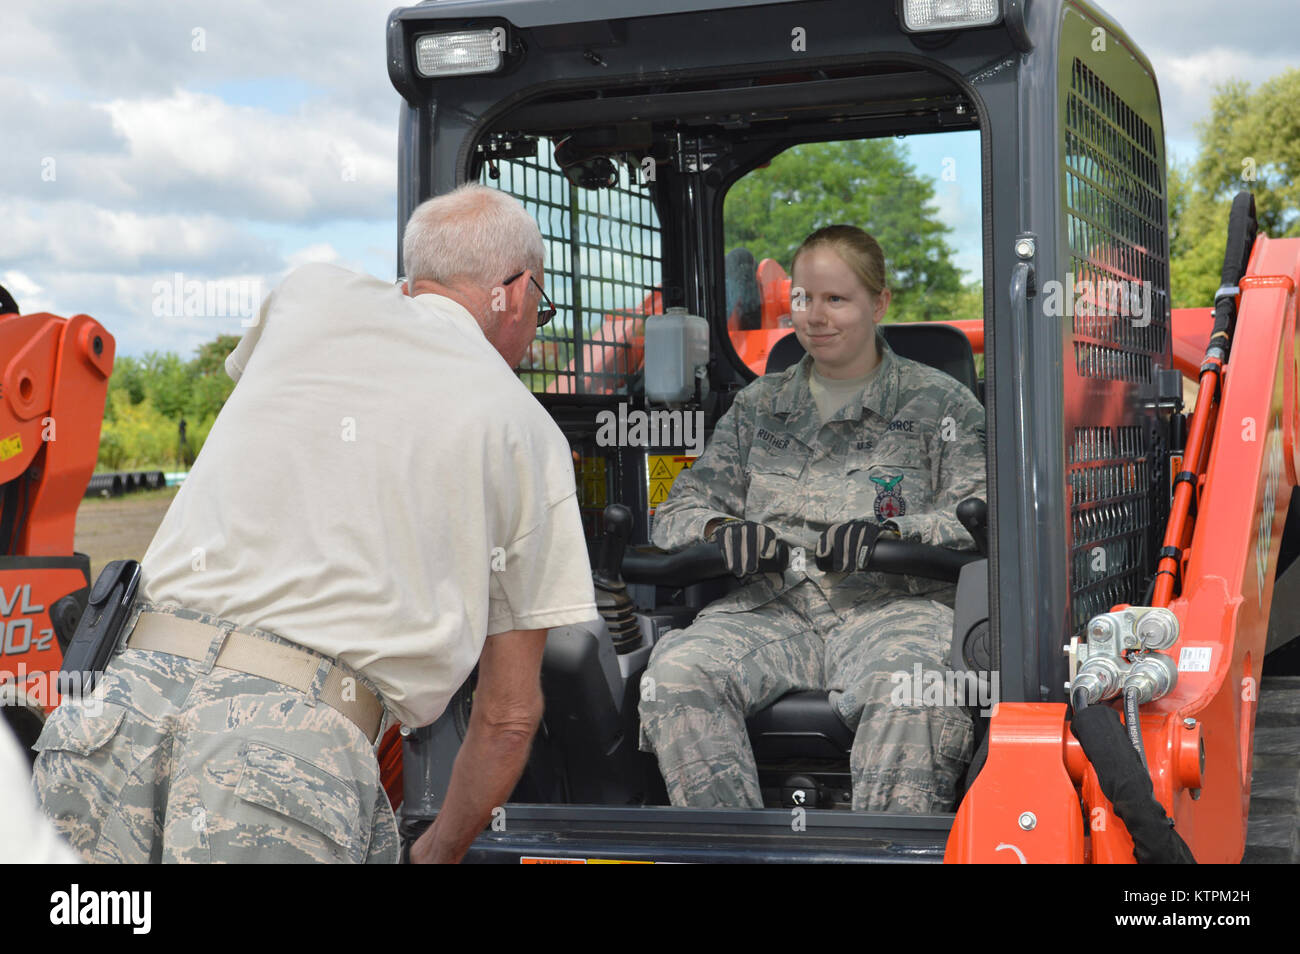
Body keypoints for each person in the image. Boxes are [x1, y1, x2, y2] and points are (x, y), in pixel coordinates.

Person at [31, 183, 597, 864]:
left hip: (108, 718)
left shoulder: (308, 294)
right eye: (542, 307)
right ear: (517, 288)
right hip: (279, 763)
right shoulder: (526, 433)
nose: (536, 330)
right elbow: (508, 718)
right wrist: (437, 850)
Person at [638, 225, 986, 812]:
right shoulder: (756, 407)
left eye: (836, 300)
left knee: (913, 691)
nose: (815, 317)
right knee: (676, 673)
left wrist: (895, 532)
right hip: (774, 606)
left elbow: (979, 515)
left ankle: (884, 854)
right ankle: (730, 854)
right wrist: (722, 532)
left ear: (878, 304)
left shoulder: (942, 405)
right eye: (803, 299)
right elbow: (679, 507)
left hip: (894, 609)